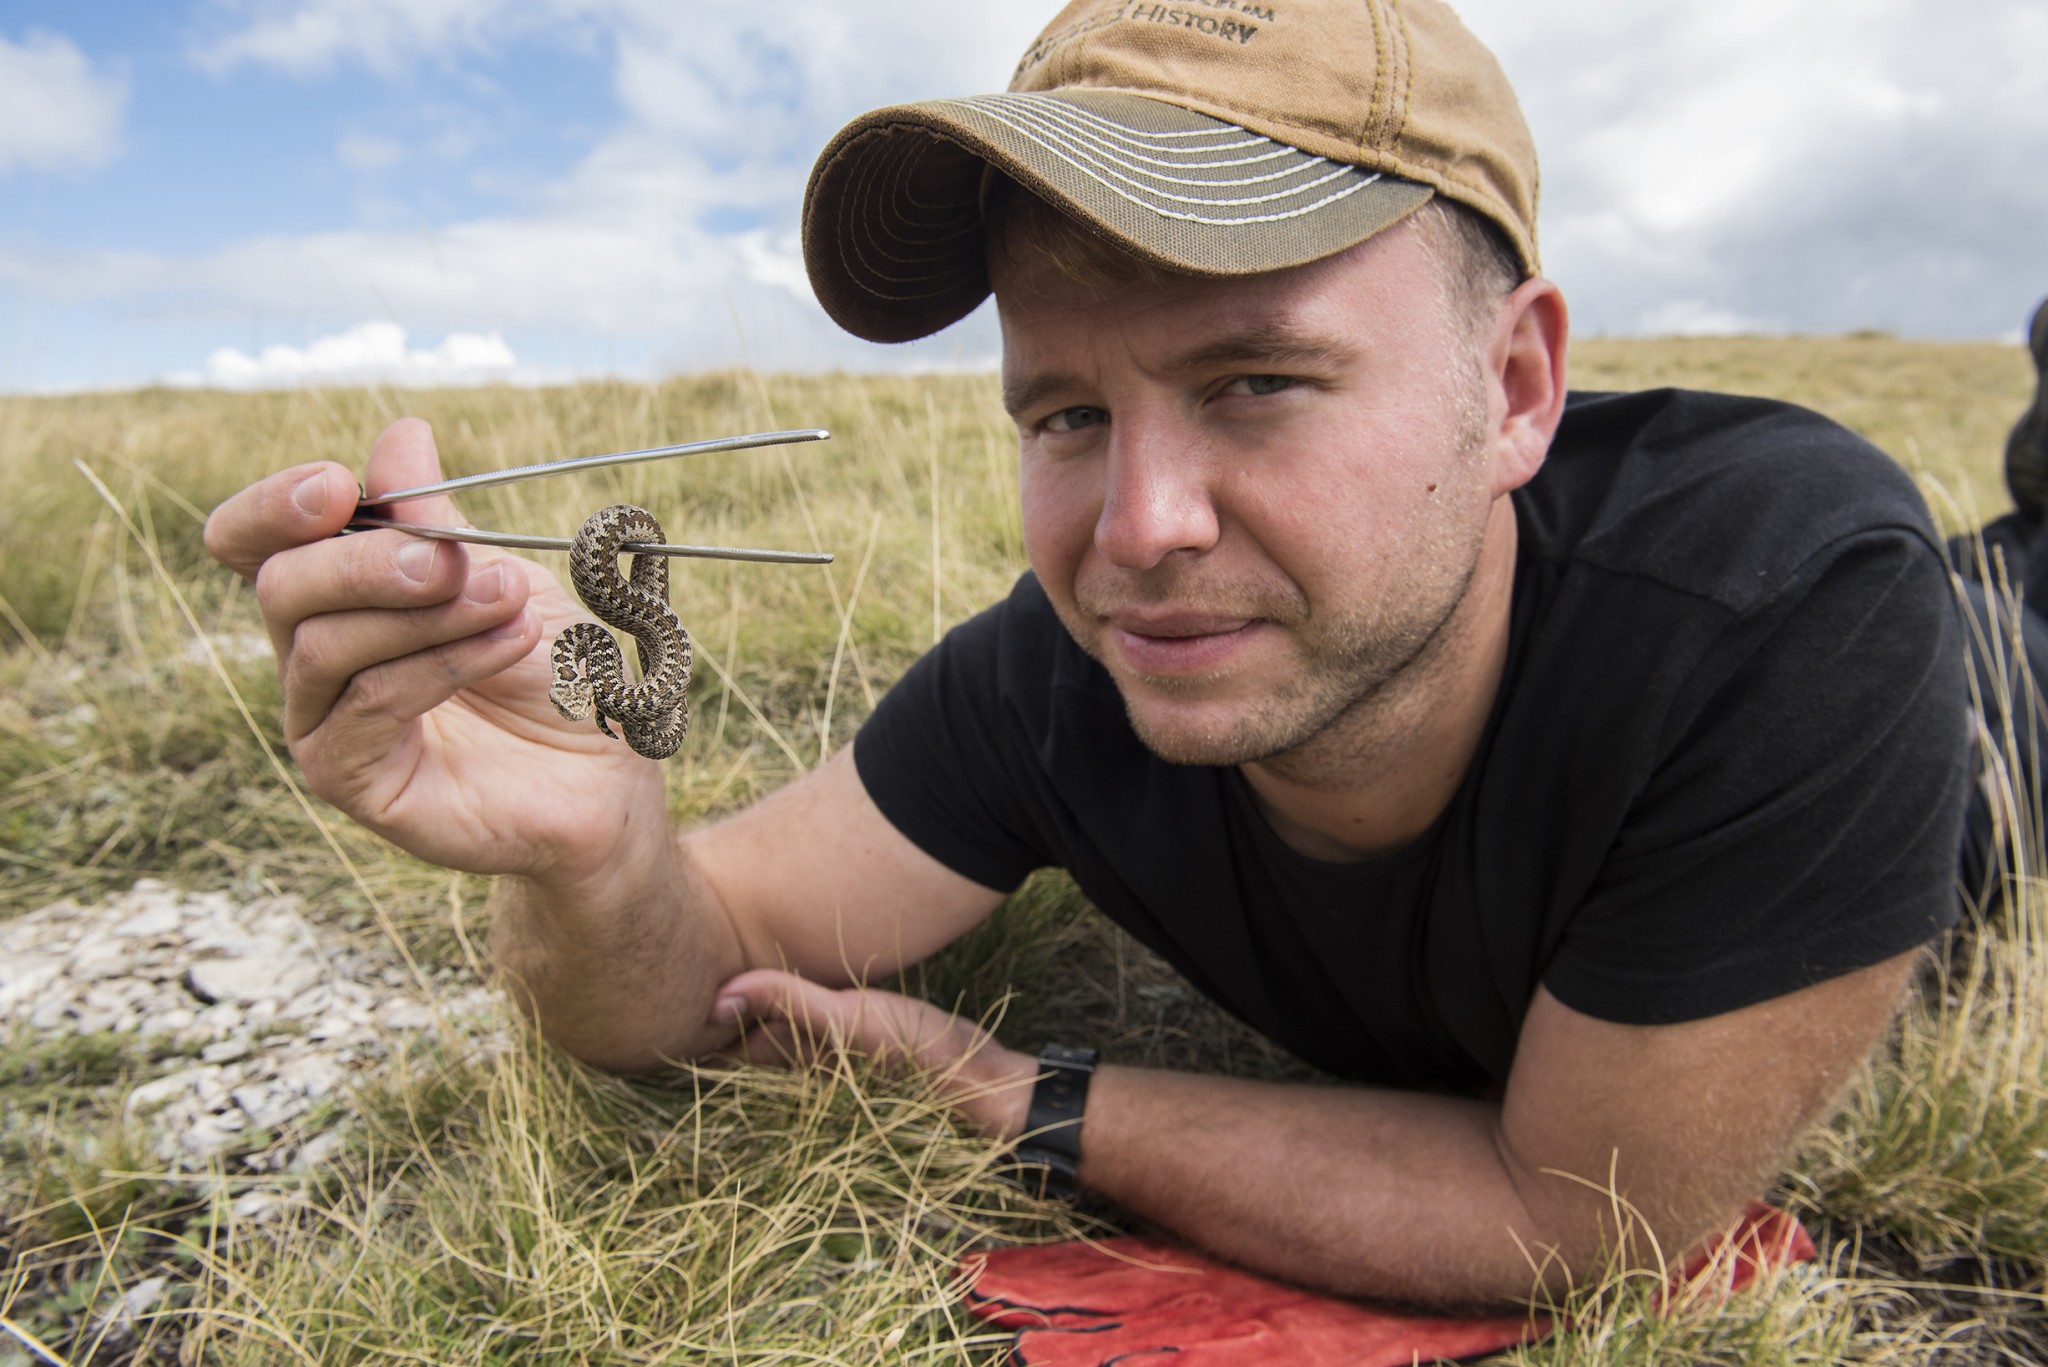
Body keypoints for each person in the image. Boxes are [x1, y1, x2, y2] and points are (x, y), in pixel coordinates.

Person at [203, 0, 1974, 1311]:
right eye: (1063, 412)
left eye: (1256, 382)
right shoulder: (1065, 679)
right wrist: (595, 856)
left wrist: (1013, 1094)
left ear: (1514, 388)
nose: (1138, 531)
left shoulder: (1784, 610)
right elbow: (693, 973)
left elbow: (1575, 1218)